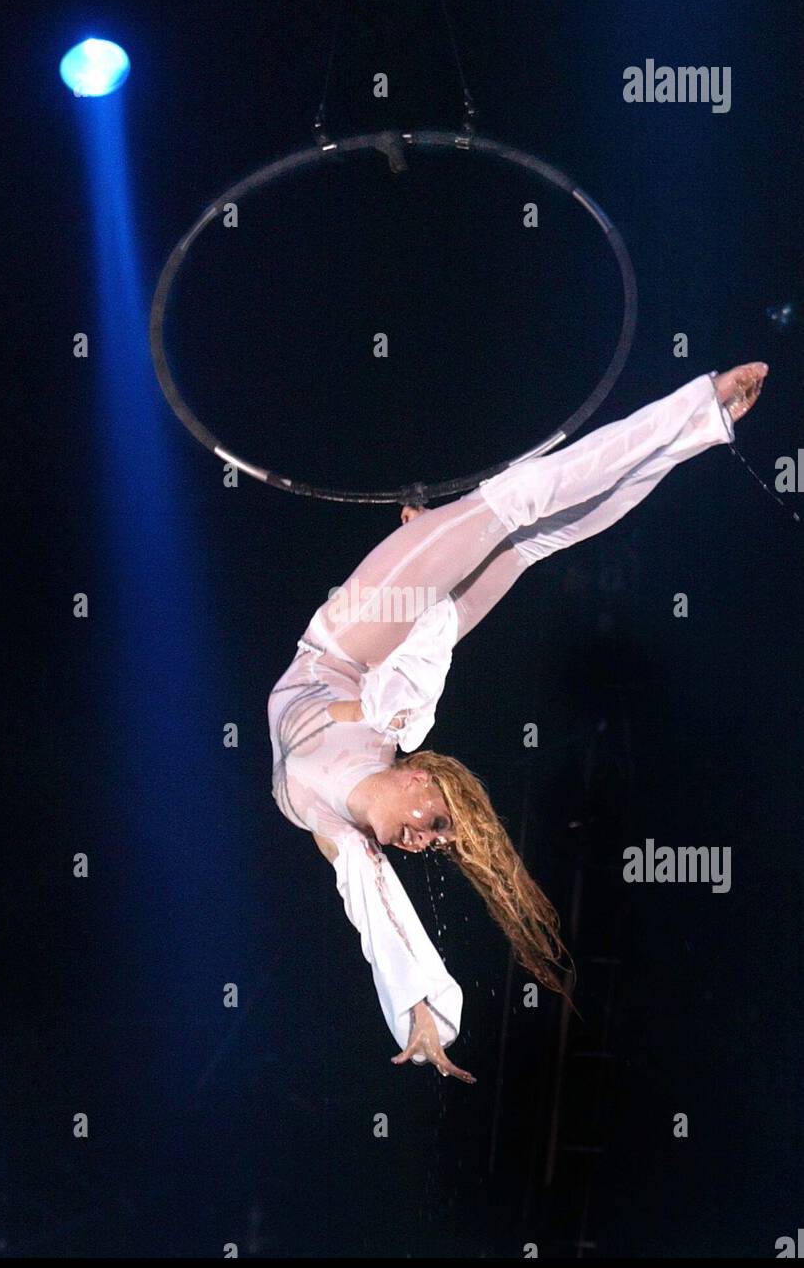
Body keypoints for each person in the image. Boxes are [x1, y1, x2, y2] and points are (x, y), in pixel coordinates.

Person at [267, 364, 768, 1082]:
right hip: (390, 643)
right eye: (440, 830)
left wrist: (418, 1016)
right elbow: (402, 673)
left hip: (344, 640)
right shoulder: (390, 730)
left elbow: (381, 924)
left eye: (433, 828)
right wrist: (431, 561)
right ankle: (695, 428)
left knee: (513, 504)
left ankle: (696, 407)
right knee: (530, 535)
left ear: (415, 779)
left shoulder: (340, 832)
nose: (426, 841)